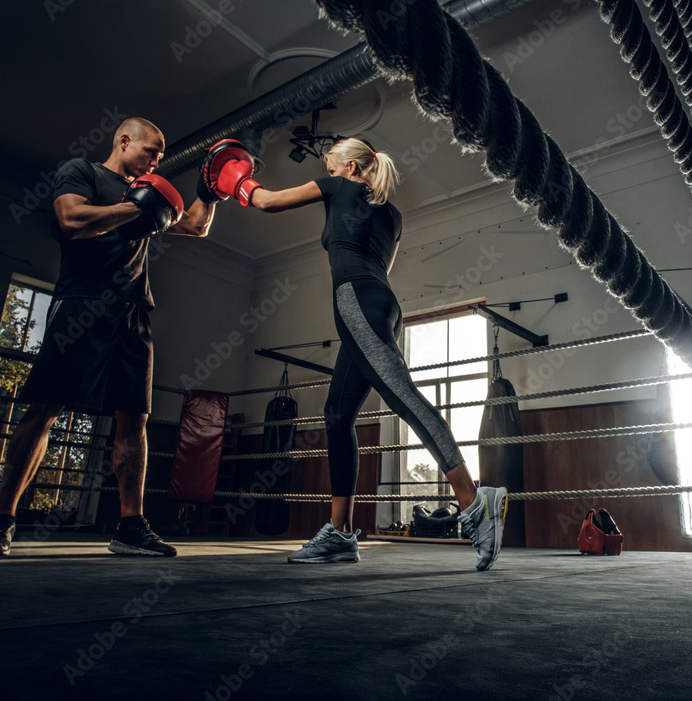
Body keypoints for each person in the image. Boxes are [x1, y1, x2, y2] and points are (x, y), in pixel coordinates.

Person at [201, 137, 507, 571]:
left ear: (349, 168)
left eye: (330, 166)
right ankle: (340, 533)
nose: (327, 173)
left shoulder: (339, 187)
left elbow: (267, 202)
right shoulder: (393, 215)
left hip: (356, 300)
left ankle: (473, 501)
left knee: (401, 395)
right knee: (336, 414)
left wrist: (235, 182)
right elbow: (382, 268)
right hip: (383, 305)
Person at [0, 117, 216, 557]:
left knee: (134, 418)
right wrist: (138, 208)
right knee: (45, 407)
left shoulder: (148, 192)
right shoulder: (83, 171)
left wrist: (210, 189)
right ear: (124, 140)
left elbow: (196, 225)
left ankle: (130, 526)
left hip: (134, 309)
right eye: (151, 151)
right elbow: (72, 220)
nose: (156, 161)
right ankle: (0, 521)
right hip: (83, 301)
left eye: (160, 157)